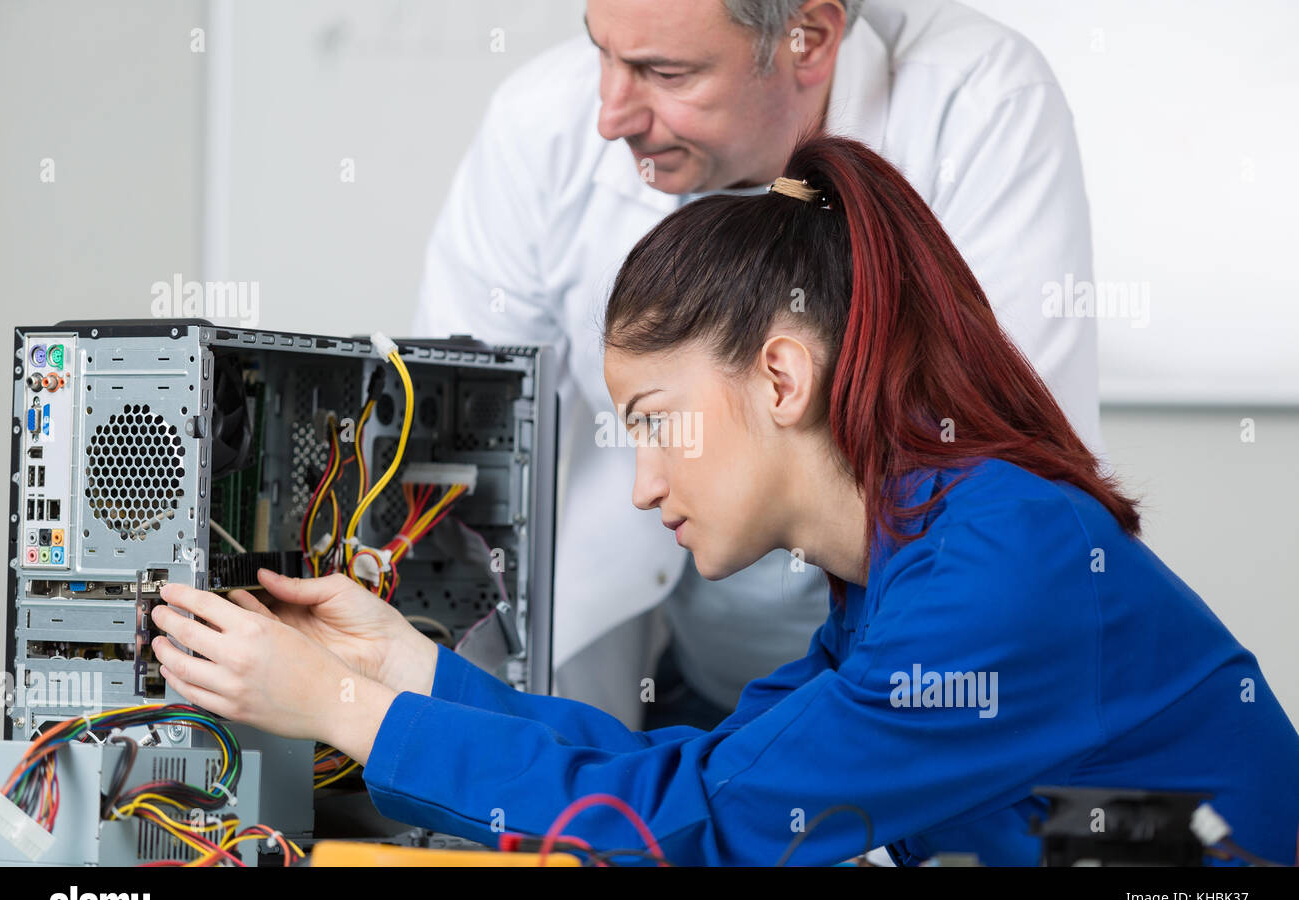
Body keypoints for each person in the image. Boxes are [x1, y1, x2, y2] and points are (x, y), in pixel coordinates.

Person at [151, 132, 1299, 867]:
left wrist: (345, 714)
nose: (645, 481)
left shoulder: (995, 573)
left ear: (783, 377)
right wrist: (399, 670)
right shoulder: (912, 561)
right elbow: (714, 778)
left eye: (655, 420)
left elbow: (705, 825)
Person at [413, 0, 1105, 733]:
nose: (609, 115)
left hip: (912, 676)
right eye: (600, 53)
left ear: (809, 38)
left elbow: (1005, 477)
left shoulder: (980, 104)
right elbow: (459, 445)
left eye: (666, 72)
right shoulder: (541, 122)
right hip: (672, 673)